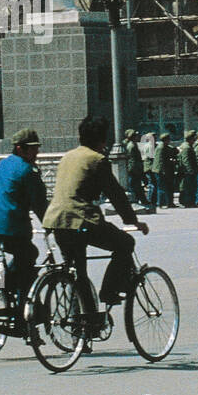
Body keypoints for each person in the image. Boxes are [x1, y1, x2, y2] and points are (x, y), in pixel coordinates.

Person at [42, 116, 149, 326]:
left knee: (76, 273)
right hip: (81, 220)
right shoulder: (97, 160)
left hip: (56, 220)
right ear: (102, 140)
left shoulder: (68, 157)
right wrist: (133, 221)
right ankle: (108, 291)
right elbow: (116, 194)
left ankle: (86, 324)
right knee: (125, 243)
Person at [0, 128, 49, 313]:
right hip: (10, 228)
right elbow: (40, 205)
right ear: (20, 149)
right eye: (33, 148)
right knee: (29, 254)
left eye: (37, 148)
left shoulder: (3, 164)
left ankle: (0, 284)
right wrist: (52, 224)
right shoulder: (27, 170)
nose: (37, 152)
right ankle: (20, 309)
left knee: (23, 259)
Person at [122, 130, 149, 207]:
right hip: (134, 169)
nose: (138, 137)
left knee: (137, 185)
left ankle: (142, 200)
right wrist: (135, 169)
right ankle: (136, 200)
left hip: (136, 168)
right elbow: (132, 159)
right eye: (136, 136)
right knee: (134, 185)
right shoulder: (131, 146)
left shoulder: (133, 144)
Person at [176, 130, 198, 207]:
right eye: (193, 139)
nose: (194, 141)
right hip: (187, 171)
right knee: (188, 187)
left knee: (185, 187)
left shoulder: (185, 146)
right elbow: (186, 160)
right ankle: (188, 202)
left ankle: (186, 202)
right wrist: (190, 170)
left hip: (185, 171)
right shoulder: (186, 147)